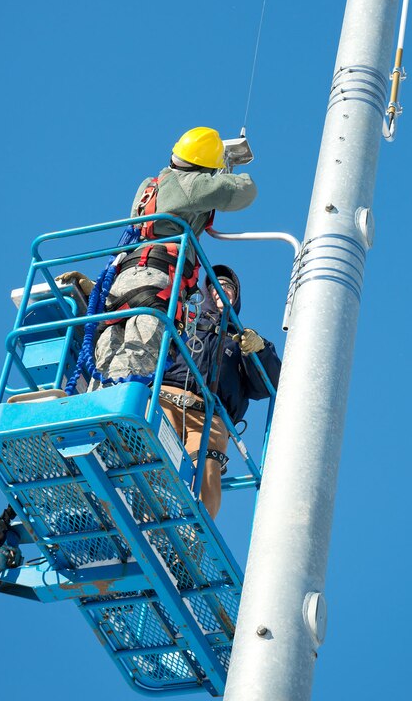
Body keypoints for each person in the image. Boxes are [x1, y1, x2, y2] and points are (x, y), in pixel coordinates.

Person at [59, 127, 257, 387]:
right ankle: (122, 410)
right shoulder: (193, 185)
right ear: (206, 165)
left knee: (110, 344)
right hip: (159, 277)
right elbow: (245, 191)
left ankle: (99, 403)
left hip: (126, 276)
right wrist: (226, 173)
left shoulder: (150, 184)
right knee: (140, 349)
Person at [159, 264, 281, 519]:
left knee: (206, 473)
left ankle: (193, 540)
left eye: (228, 287)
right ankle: (146, 517)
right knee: (154, 455)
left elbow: (268, 384)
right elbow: (145, 325)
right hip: (167, 399)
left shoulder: (242, 338)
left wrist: (257, 351)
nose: (221, 292)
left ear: (236, 296)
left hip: (209, 417)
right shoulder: (182, 320)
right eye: (215, 286)